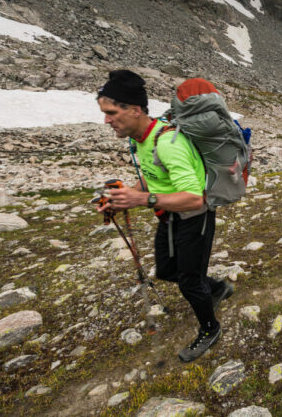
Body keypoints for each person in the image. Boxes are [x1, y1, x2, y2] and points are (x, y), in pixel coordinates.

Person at [95, 69, 233, 362]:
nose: (106, 120)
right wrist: (122, 199)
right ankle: (219, 287)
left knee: (189, 282)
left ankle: (210, 329)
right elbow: (152, 178)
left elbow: (194, 197)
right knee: (167, 271)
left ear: (134, 110)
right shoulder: (139, 140)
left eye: (111, 112)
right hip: (169, 215)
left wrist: (141, 199)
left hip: (196, 216)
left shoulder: (168, 144)